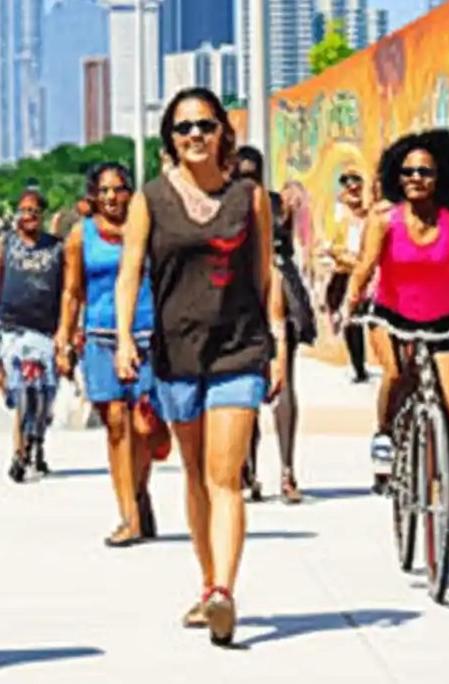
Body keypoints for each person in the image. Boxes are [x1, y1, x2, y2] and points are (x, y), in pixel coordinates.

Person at [114, 87, 286, 647]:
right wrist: (123, 339)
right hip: (176, 355)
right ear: (170, 137)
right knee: (193, 472)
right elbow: (130, 272)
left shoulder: (250, 197)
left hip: (239, 349)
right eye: (184, 127)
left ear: (222, 134)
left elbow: (266, 275)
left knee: (224, 474)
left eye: (205, 126)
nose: (194, 136)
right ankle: (207, 580)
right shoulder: (151, 199)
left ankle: (223, 594)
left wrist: (278, 342)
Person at [343, 128, 449, 550]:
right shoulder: (384, 220)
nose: (416, 178)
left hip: (446, 322)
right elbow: (364, 267)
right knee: (397, 374)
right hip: (392, 316)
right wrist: (352, 300)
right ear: (397, 176)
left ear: (442, 176)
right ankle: (384, 434)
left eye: (426, 172)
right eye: (408, 171)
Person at [56, 163, 169, 546]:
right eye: (103, 190)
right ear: (93, 195)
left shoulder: (147, 230)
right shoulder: (80, 235)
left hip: (147, 332)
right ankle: (129, 515)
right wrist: (64, 335)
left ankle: (140, 490)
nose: (110, 197)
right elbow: (71, 291)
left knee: (144, 424)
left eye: (118, 189)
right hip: (100, 337)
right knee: (117, 424)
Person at [234, 146, 316, 505]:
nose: (247, 181)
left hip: (278, 292)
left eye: (252, 174)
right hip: (241, 295)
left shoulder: (275, 205)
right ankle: (248, 467)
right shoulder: (231, 206)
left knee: (284, 381)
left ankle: (286, 470)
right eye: (242, 174)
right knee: (244, 387)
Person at [0, 190, 66, 481]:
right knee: (21, 391)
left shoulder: (58, 248)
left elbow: (69, 292)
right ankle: (20, 451)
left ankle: (38, 442)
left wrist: (68, 331)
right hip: (12, 330)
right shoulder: (2, 247)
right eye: (23, 210)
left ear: (42, 215)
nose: (28, 216)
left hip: (47, 332)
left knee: (45, 392)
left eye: (34, 211)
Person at [321, 165, 371, 382]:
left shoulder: (371, 214)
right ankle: (359, 366)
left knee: (363, 319)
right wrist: (346, 256)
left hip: (368, 273)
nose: (351, 185)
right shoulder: (337, 214)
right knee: (350, 320)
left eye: (356, 180)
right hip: (345, 272)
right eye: (346, 181)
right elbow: (329, 245)